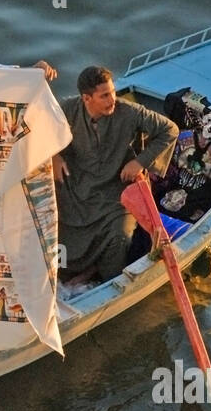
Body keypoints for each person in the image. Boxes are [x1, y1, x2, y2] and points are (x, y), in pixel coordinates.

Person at [55, 66, 178, 283]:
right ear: (86, 98)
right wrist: (54, 156)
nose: (112, 99)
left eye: (112, 92)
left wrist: (139, 162)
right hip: (78, 187)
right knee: (56, 226)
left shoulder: (129, 112)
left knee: (120, 237)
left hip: (118, 191)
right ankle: (75, 271)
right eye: (104, 96)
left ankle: (105, 279)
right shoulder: (67, 109)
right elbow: (38, 124)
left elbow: (169, 130)